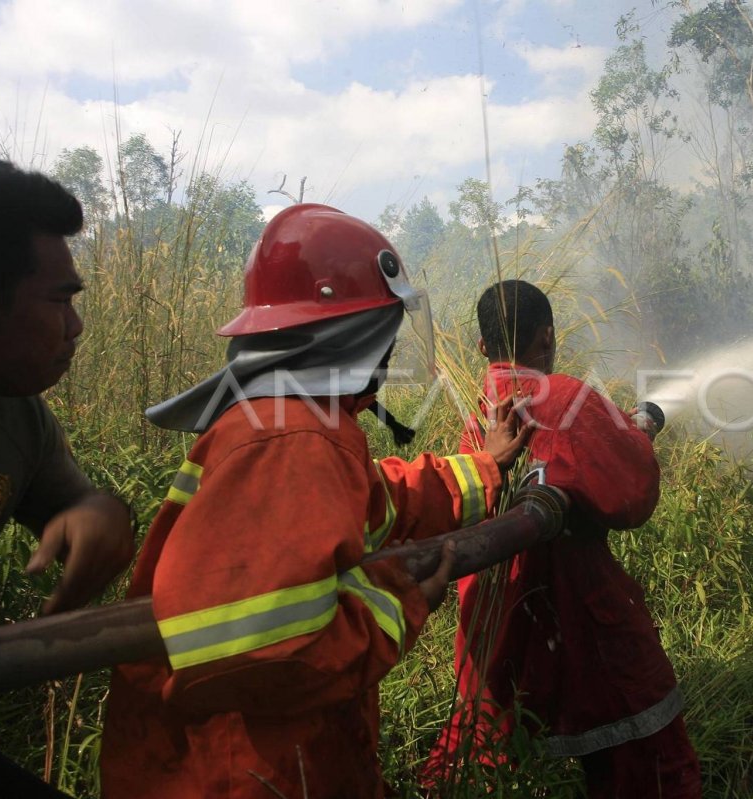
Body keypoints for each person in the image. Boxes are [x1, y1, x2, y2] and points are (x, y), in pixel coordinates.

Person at [100, 204, 532, 799]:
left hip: (277, 754)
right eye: (385, 331)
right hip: (251, 773)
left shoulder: (293, 425)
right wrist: (402, 602)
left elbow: (382, 504)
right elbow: (272, 652)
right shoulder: (290, 441)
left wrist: (487, 466)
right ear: (352, 333)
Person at [424, 279, 702, 798]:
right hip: (570, 598)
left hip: (491, 603)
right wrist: (638, 433)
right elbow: (631, 492)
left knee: (488, 735)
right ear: (547, 337)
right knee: (643, 737)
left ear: (483, 347)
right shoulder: (568, 397)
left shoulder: (481, 403)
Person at [0, 155, 135, 797]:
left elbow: (80, 502)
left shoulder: (14, 419)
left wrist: (101, 517)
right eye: (60, 301)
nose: (76, 327)